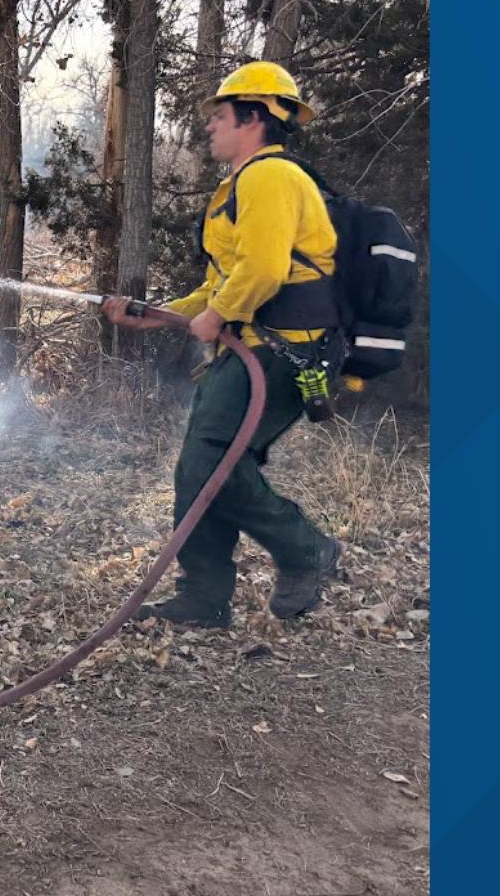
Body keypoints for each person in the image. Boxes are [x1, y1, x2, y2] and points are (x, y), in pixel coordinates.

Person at [103, 61, 344, 628]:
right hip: (254, 346)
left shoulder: (271, 178)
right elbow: (224, 284)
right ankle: (204, 598)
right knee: (198, 467)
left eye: (220, 116)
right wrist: (163, 316)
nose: (210, 127)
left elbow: (261, 272)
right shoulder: (243, 185)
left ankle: (307, 550)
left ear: (254, 118)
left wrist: (217, 315)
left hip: (284, 351)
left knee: (212, 462)